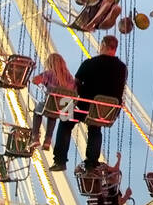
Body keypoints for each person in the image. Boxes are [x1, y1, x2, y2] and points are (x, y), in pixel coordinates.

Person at [50, 35, 127, 174]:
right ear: (115, 48)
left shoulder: (90, 63)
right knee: (95, 127)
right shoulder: (122, 68)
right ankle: (92, 162)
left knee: (65, 118)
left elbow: (76, 84)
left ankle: (60, 160)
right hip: (108, 111)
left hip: (86, 106)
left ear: (103, 45)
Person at [29, 51, 76, 151]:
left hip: (51, 104)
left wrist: (35, 80)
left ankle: (35, 137)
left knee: (37, 111)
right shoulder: (70, 77)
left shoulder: (49, 73)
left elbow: (36, 80)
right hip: (66, 109)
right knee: (53, 114)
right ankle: (48, 141)